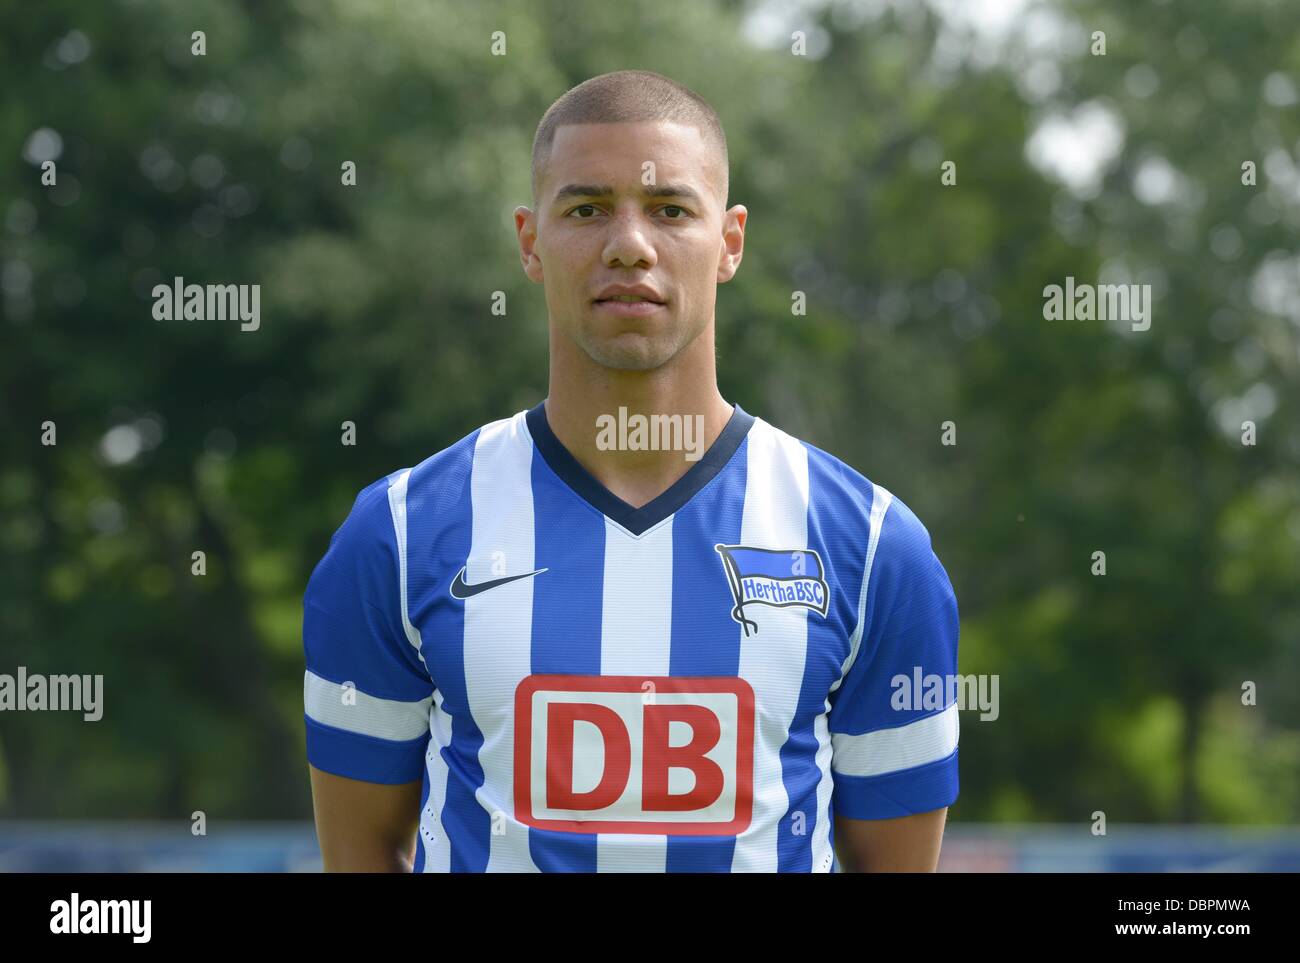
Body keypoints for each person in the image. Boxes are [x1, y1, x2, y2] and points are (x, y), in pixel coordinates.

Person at [304, 70, 959, 872]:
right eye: (585, 209)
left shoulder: (873, 543)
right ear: (529, 241)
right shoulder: (399, 534)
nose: (629, 245)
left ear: (730, 242)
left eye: (670, 210)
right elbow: (360, 852)